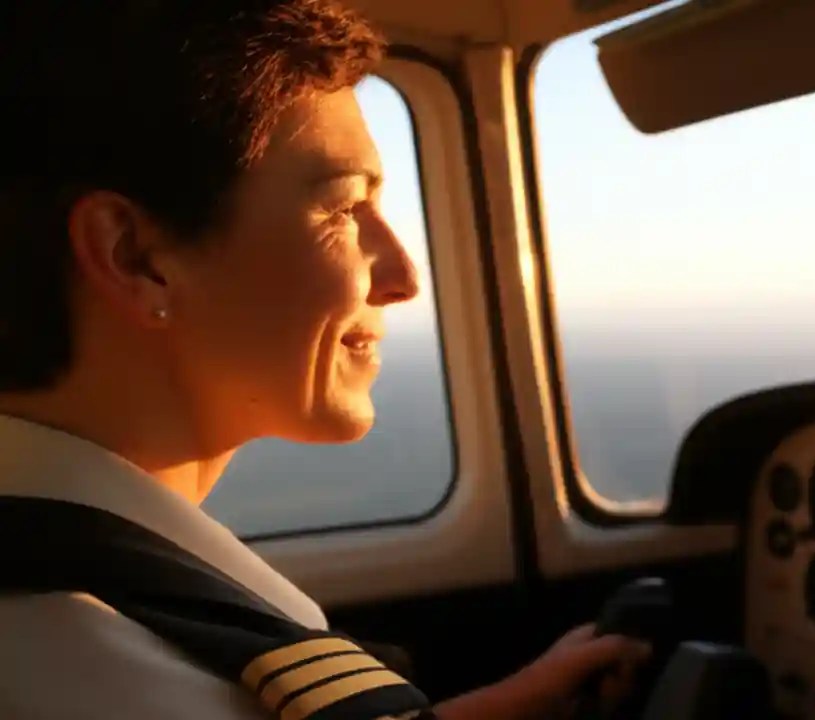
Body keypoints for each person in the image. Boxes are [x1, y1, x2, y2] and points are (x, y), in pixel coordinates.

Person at [0, 1, 649, 718]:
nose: (402, 274)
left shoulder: (99, 603)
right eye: (343, 208)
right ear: (136, 257)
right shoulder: (119, 675)